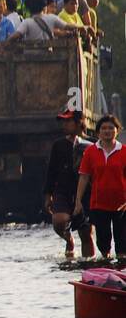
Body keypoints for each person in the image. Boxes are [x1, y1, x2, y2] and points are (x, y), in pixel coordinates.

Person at [76, 115, 126, 258]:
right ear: (98, 132)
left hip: (122, 204)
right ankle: (106, 266)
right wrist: (78, 200)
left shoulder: (124, 151)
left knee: (122, 242)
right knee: (103, 242)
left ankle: (121, 268)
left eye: (111, 128)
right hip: (99, 204)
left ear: (117, 131)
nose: (107, 131)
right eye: (103, 128)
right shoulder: (90, 152)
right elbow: (84, 176)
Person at [46, 109, 94, 259]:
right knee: (59, 221)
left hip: (86, 192)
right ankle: (69, 239)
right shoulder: (58, 145)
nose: (65, 125)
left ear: (79, 123)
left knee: (86, 232)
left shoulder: (92, 144)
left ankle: (88, 264)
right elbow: (51, 171)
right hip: (63, 190)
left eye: (68, 121)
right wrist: (48, 194)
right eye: (63, 121)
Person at [7, 0, 80, 42]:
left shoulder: (27, 22)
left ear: (30, 9)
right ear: (44, 8)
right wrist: (85, 28)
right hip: (48, 55)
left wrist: (5, 44)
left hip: (30, 57)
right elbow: (68, 26)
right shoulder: (52, 18)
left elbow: (16, 35)